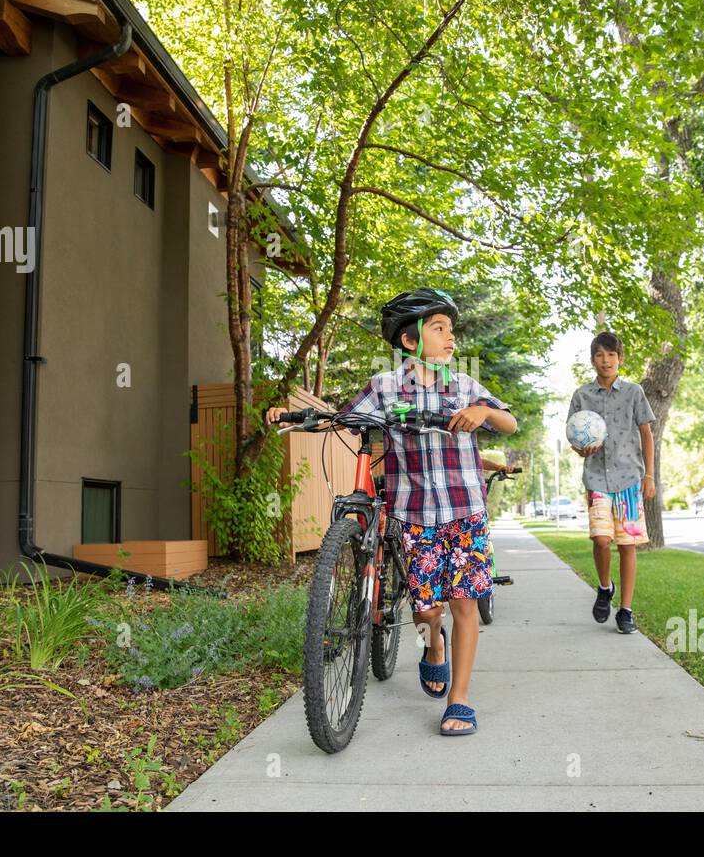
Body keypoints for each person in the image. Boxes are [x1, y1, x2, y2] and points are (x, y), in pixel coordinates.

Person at [267, 288, 517, 735]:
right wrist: (293, 416)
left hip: (465, 510)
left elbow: (509, 421)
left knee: (464, 604)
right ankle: (434, 646)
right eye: (438, 328)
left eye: (451, 329)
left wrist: (483, 411)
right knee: (427, 612)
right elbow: (344, 419)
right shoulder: (384, 387)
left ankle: (459, 700)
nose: (450, 337)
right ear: (409, 340)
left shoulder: (464, 386)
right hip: (414, 513)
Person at [568, 331, 656, 634]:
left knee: (627, 545)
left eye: (611, 355)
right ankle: (605, 587)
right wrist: (581, 450)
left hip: (630, 478)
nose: (605, 360)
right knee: (601, 540)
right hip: (597, 478)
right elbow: (575, 439)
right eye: (599, 355)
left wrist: (649, 476)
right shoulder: (582, 396)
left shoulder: (634, 392)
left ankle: (626, 611)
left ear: (620, 359)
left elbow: (647, 435)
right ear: (593, 360)